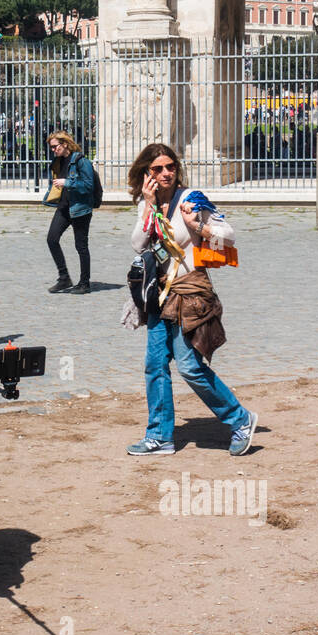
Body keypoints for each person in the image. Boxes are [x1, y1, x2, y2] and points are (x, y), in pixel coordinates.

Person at [124, 143, 258, 457]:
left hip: (189, 291)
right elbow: (137, 243)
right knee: (155, 365)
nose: (166, 173)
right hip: (159, 293)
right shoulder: (150, 203)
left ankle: (240, 419)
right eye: (157, 169)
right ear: (147, 173)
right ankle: (159, 436)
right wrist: (147, 203)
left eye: (170, 166)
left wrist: (196, 224)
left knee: (189, 367)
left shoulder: (192, 199)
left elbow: (228, 235)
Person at [42, 131, 98, 294]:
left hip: (80, 208)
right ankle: (64, 278)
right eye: (51, 147)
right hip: (64, 207)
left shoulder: (82, 162)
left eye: (54, 146)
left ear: (65, 144)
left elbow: (88, 185)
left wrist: (67, 182)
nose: (52, 150)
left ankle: (84, 283)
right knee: (52, 239)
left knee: (81, 246)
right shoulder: (59, 161)